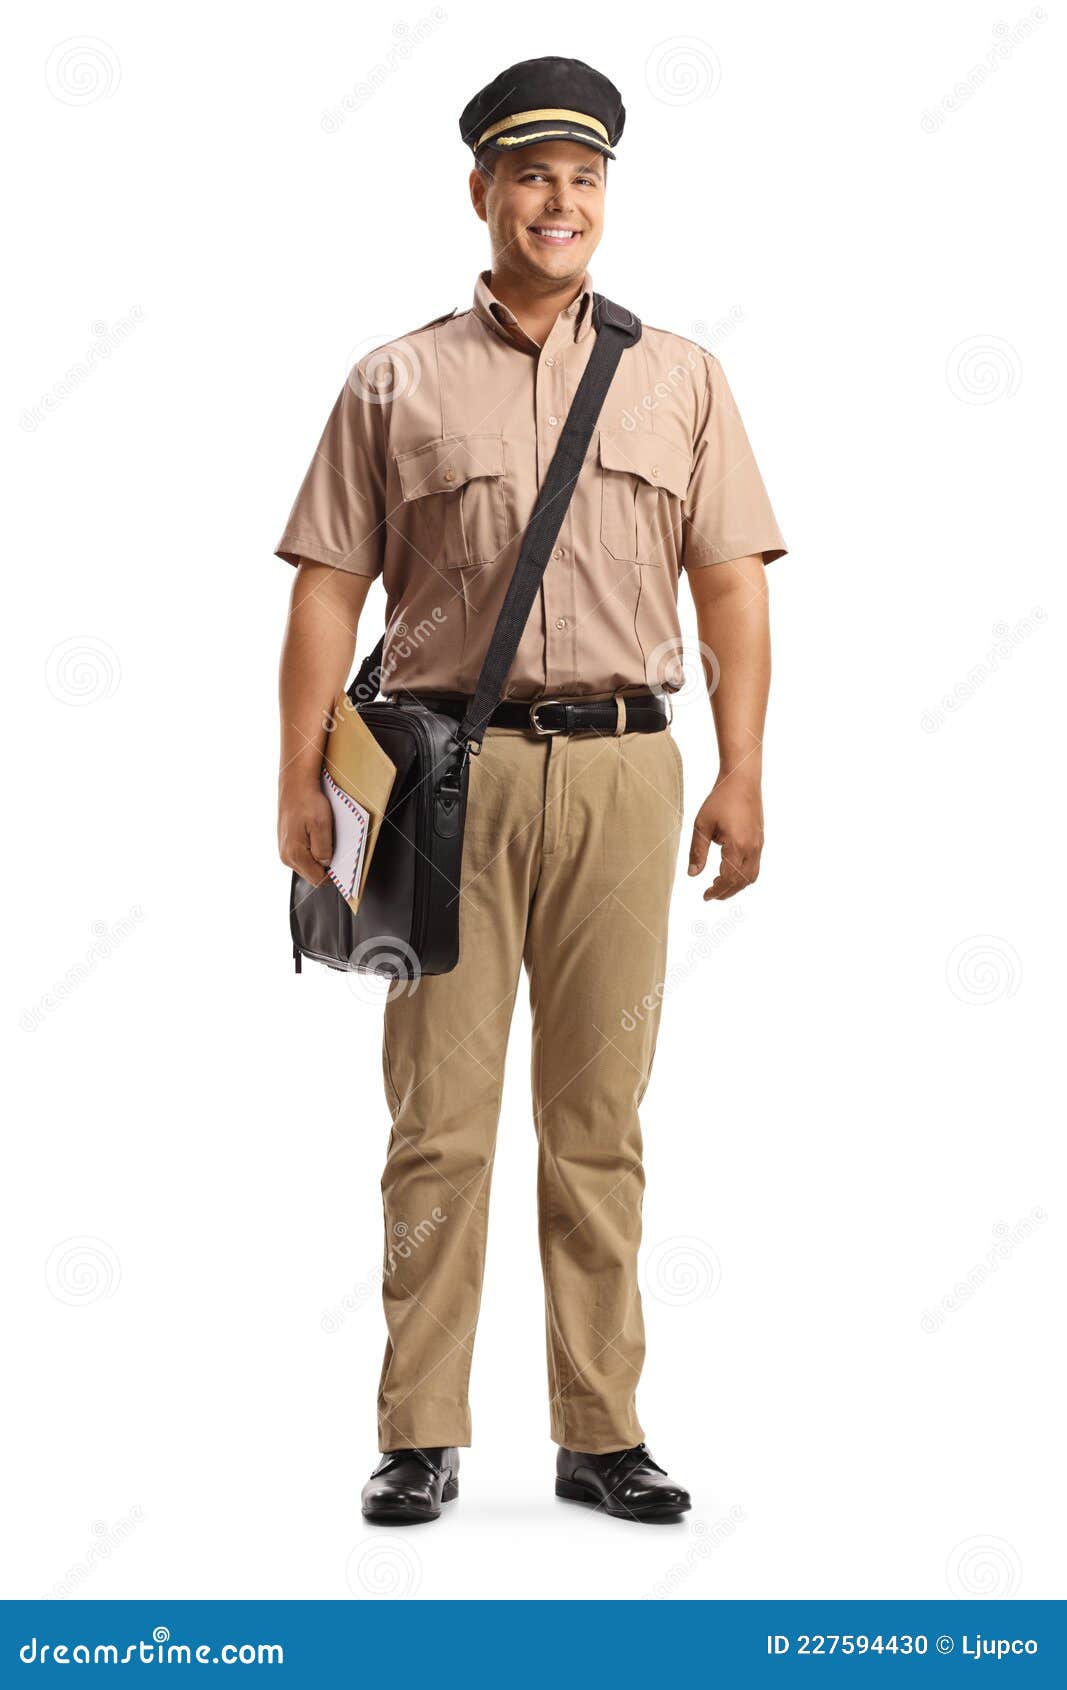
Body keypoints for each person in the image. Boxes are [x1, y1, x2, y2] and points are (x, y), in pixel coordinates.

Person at [275, 55, 787, 1525]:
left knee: (599, 1117)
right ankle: (419, 1430)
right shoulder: (395, 378)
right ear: (481, 191)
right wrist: (301, 774)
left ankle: (601, 1430)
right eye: (530, 176)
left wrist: (744, 769)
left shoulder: (682, 374)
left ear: (605, 195)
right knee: (438, 1119)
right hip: (446, 780)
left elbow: (732, 584)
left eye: (583, 177)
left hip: (629, 775)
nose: (559, 201)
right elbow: (328, 587)